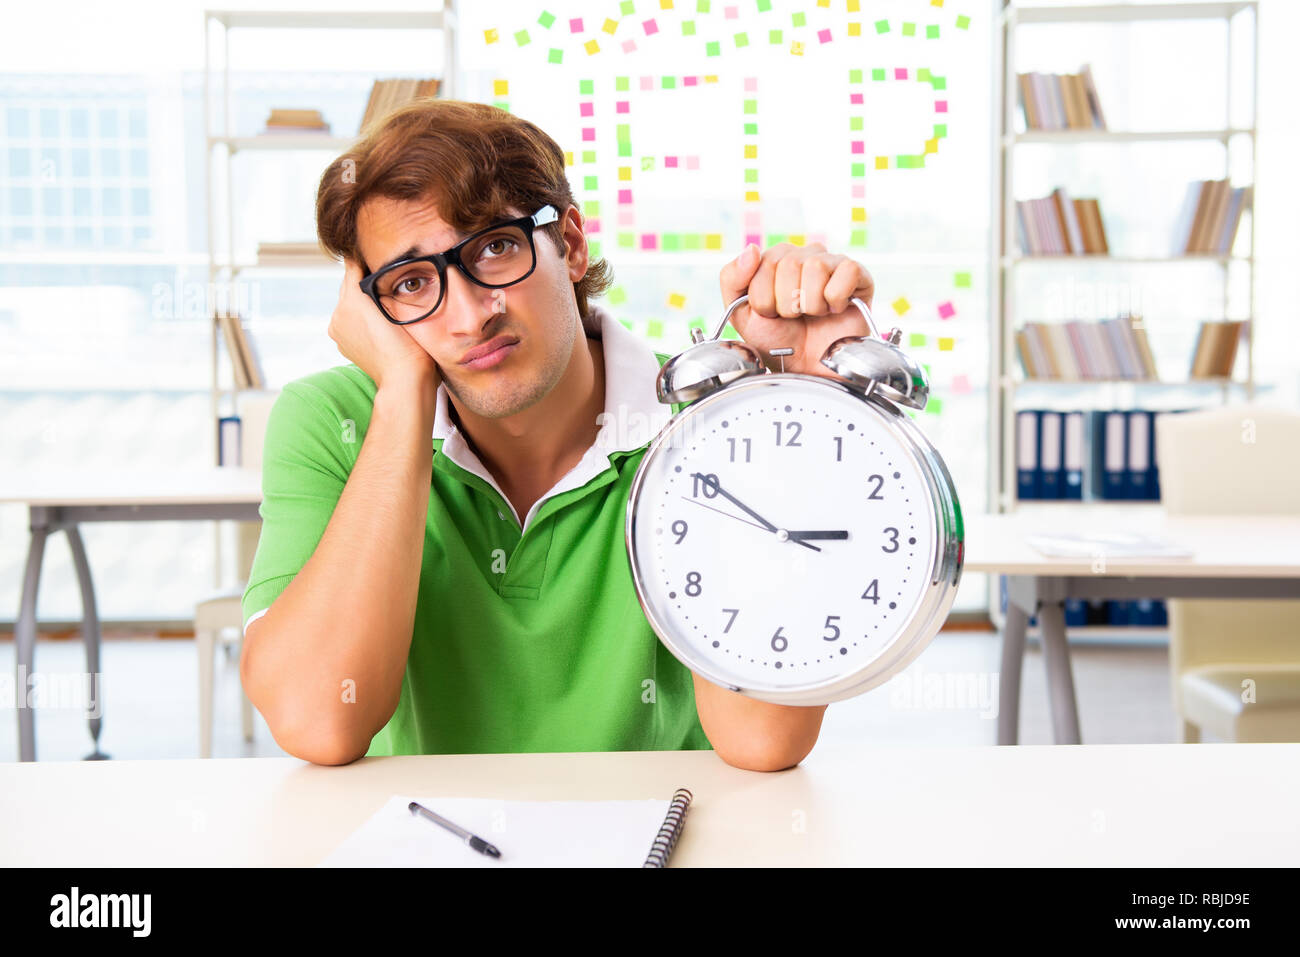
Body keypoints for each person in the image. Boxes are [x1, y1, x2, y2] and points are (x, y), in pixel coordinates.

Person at [239, 100, 876, 770]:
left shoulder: (709, 421)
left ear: (570, 244)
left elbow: (761, 740)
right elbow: (318, 720)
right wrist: (402, 394)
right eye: (411, 282)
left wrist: (793, 416)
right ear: (374, 310)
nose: (467, 317)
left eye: (494, 246)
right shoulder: (332, 421)